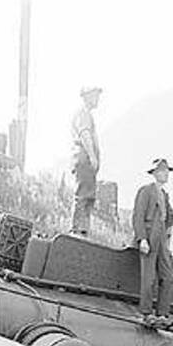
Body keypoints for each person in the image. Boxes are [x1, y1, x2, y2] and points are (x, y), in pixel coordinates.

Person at [132, 158, 173, 328]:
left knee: (168, 276)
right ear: (155, 173)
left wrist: (168, 234)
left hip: (162, 239)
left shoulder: (164, 195)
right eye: (162, 170)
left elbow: (169, 217)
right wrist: (142, 238)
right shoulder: (146, 191)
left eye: (166, 171)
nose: (166, 174)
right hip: (150, 235)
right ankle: (147, 313)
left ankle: (163, 314)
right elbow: (138, 216)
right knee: (148, 277)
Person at [70, 87, 102, 235]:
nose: (97, 99)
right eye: (95, 95)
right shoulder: (83, 114)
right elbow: (85, 134)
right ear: (87, 97)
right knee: (83, 195)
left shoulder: (86, 114)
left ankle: (82, 230)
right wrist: (92, 155)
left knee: (87, 195)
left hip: (84, 159)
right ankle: (77, 230)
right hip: (83, 159)